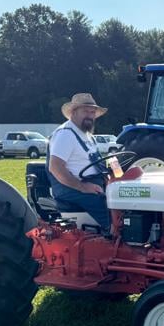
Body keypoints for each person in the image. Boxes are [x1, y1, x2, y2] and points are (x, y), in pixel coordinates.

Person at [47, 93, 112, 235]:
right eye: (85, 111)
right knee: (115, 215)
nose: (90, 115)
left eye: (92, 112)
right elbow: (56, 167)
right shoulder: (65, 134)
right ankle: (118, 241)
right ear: (73, 112)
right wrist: (82, 187)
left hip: (92, 185)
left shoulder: (87, 135)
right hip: (71, 189)